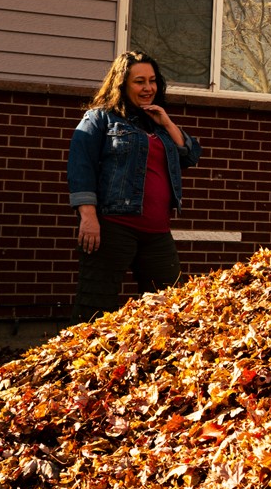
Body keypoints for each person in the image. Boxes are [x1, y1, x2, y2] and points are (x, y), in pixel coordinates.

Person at [67, 50, 203, 322]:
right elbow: (80, 167)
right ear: (122, 84)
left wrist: (166, 121)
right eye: (139, 81)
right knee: (94, 308)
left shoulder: (157, 124)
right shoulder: (100, 119)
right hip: (114, 227)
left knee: (170, 308)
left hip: (157, 233)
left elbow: (190, 155)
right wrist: (88, 217)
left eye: (152, 81)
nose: (148, 88)